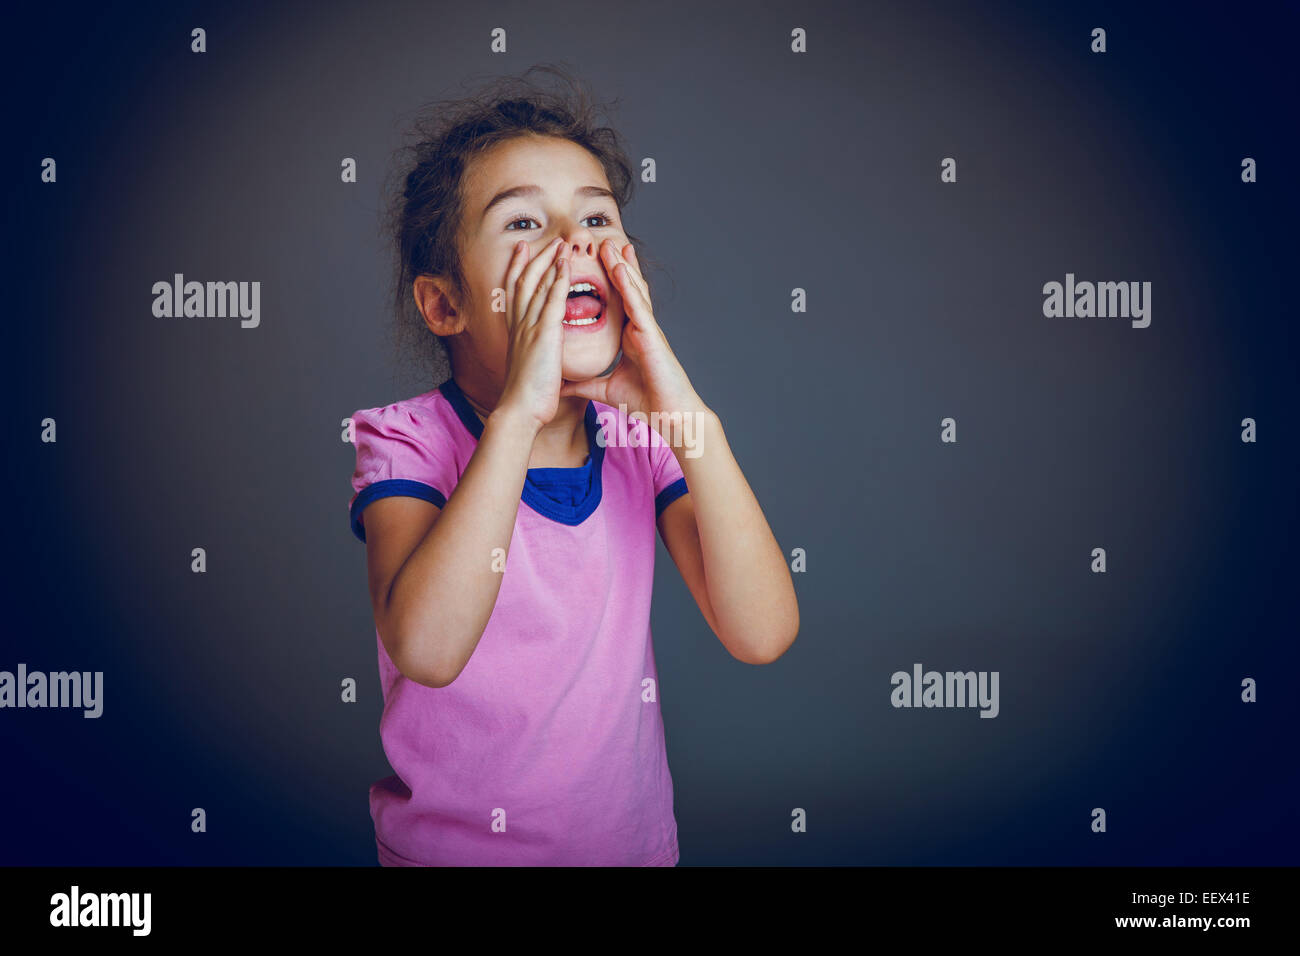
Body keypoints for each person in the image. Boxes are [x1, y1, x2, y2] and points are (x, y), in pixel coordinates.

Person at [347, 66, 798, 866]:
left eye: (595, 216)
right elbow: (428, 649)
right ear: (445, 305)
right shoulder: (406, 440)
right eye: (524, 224)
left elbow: (761, 633)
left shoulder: (638, 437)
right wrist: (519, 411)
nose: (572, 242)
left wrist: (690, 417)